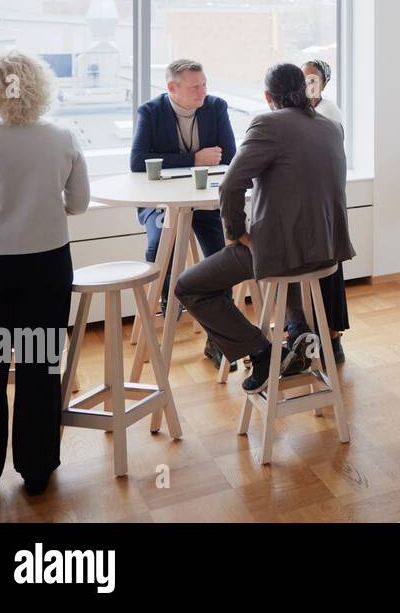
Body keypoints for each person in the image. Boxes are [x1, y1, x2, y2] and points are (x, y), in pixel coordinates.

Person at [173, 64, 354, 394]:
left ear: (268, 97)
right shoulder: (331, 127)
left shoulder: (268, 124)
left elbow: (230, 187)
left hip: (284, 253)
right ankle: (298, 332)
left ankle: (262, 352)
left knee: (189, 286)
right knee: (289, 256)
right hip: (328, 251)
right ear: (305, 88)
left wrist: (236, 235)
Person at [0, 52, 89, 497]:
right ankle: (36, 470)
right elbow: (77, 204)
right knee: (40, 366)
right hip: (46, 264)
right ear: (40, 85)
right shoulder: (62, 136)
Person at [129, 57, 237, 370]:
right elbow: (138, 162)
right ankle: (166, 302)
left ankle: (219, 337)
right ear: (172, 88)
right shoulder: (151, 112)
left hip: (203, 200)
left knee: (221, 255)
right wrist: (194, 158)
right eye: (194, 87)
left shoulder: (216, 107)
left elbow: (228, 156)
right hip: (160, 202)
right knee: (160, 244)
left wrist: (186, 161)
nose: (202, 91)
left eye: (204, 84)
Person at [300, 58, 348, 365]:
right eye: (303, 79)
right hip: (307, 201)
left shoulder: (328, 112)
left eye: (313, 79)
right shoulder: (295, 111)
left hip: (324, 200)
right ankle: (307, 334)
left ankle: (333, 337)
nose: (308, 84)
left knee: (328, 270)